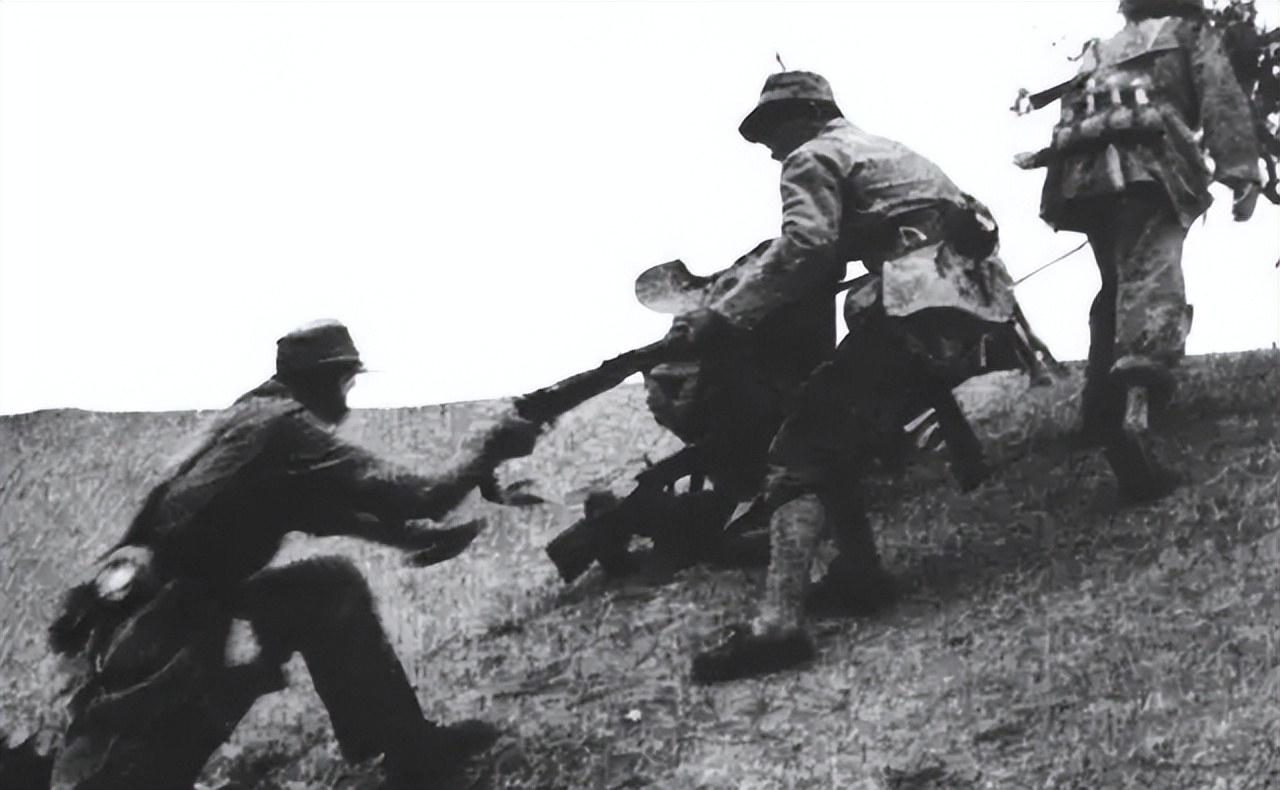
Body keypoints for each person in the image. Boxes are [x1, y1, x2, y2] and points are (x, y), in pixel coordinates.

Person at [45, 319, 542, 790]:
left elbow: (313, 508)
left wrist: (409, 539)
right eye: (344, 383)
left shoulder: (248, 419)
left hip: (155, 611)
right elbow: (423, 495)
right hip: (171, 627)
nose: (346, 401)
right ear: (322, 380)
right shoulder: (286, 430)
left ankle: (411, 751)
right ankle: (412, 754)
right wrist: (489, 447)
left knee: (329, 585)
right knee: (140, 764)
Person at [669, 71, 1024, 684]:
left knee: (797, 453)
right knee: (832, 438)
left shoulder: (812, 156)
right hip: (973, 305)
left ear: (807, 115)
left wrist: (723, 314)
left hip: (912, 305)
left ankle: (777, 626)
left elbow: (806, 247)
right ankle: (860, 574)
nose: (771, 150)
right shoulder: (886, 150)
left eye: (772, 131)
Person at [1016, 0, 1262, 500]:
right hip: (1150, 169)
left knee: (1116, 285)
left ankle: (1097, 413)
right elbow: (1220, 97)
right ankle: (1134, 424)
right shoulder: (1187, 31)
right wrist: (1241, 174)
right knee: (1152, 285)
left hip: (1082, 178)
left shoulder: (1103, 48)